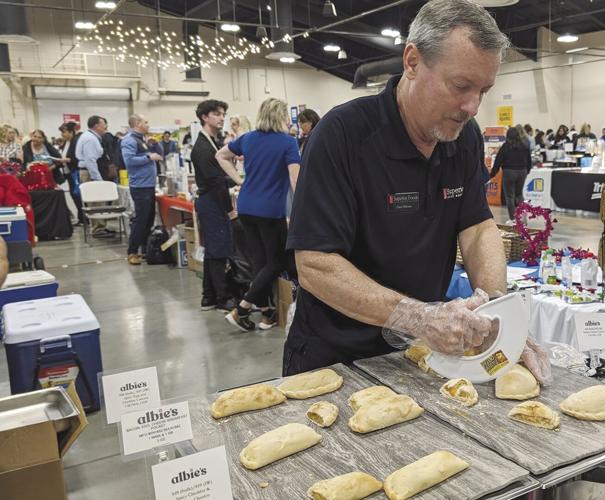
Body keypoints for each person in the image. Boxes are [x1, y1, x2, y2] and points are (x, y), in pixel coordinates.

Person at [283, 0, 550, 382]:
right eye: (461, 86)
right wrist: (418, 317)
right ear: (412, 61)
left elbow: (477, 228)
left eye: (484, 90)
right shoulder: (341, 135)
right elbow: (314, 264)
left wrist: (498, 316)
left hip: (417, 356)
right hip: (335, 359)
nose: (472, 106)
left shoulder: (464, 137)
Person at [216, 97, 301, 332]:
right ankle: (242, 309)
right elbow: (296, 180)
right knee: (277, 262)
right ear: (281, 116)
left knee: (259, 262)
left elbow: (220, 156)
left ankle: (265, 314)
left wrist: (239, 180)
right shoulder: (288, 142)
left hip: (246, 206)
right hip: (270, 210)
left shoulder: (248, 138)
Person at [192, 99, 237, 312]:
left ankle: (208, 296)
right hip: (212, 201)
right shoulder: (202, 147)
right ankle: (222, 298)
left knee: (212, 250)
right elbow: (216, 181)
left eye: (223, 114)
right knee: (219, 249)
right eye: (217, 114)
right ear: (204, 117)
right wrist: (230, 209)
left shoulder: (211, 142)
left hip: (212, 199)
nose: (221, 118)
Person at [121, 114, 163, 265]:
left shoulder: (142, 139)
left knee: (149, 219)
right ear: (138, 123)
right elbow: (129, 161)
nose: (148, 124)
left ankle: (146, 249)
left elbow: (159, 155)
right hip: (140, 186)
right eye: (146, 122)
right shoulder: (129, 140)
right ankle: (132, 252)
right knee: (141, 220)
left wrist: (155, 145)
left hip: (149, 185)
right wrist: (148, 158)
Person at [75, 115, 113, 236]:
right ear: (97, 126)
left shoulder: (90, 137)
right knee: (96, 201)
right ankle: (98, 229)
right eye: (103, 124)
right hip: (89, 172)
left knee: (97, 201)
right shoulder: (90, 139)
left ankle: (100, 227)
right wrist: (98, 179)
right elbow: (90, 161)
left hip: (88, 171)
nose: (105, 127)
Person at [490, 127, 531, 224]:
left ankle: (513, 219)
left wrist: (492, 174)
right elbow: (529, 160)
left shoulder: (505, 146)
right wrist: (527, 171)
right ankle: (523, 217)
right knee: (519, 195)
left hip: (509, 172)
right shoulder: (524, 146)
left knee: (509, 196)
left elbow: (498, 161)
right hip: (522, 171)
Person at [58, 122, 82, 225]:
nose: (62, 134)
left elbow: (78, 157)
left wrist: (69, 160)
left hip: (74, 171)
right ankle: (80, 217)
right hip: (67, 171)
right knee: (73, 194)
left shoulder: (76, 141)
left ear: (71, 132)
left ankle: (82, 217)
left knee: (77, 194)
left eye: (64, 132)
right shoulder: (66, 143)